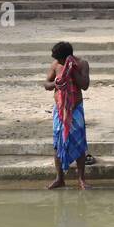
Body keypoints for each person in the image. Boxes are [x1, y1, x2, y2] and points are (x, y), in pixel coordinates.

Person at [44, 41, 91, 189]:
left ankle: (81, 179)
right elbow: (46, 84)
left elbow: (85, 85)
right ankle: (60, 178)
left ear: (67, 58)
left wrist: (72, 70)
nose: (56, 61)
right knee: (58, 144)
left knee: (79, 143)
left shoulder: (82, 64)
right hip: (60, 110)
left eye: (59, 58)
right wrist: (56, 84)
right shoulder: (55, 65)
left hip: (75, 109)